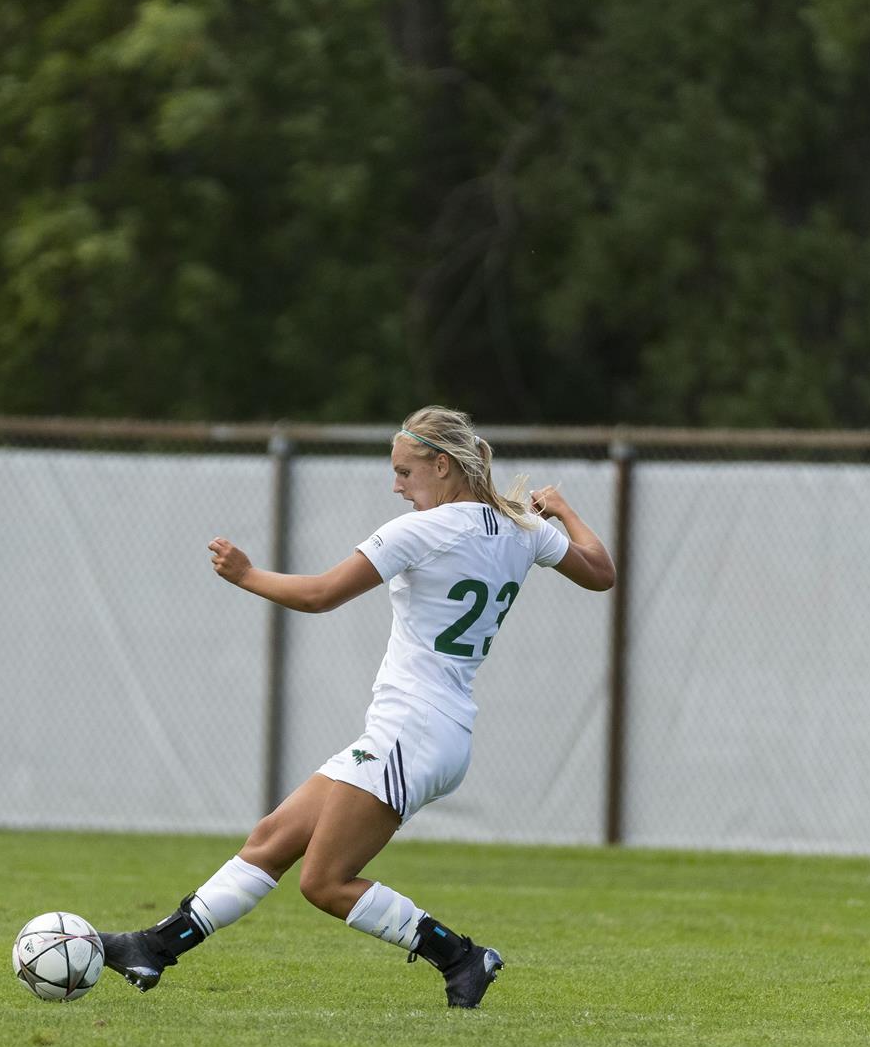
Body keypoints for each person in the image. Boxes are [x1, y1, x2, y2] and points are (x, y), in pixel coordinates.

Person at [99, 405, 615, 1008]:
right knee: (273, 838)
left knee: (324, 881)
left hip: (411, 731)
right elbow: (600, 572)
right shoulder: (524, 529)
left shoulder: (421, 530)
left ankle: (461, 957)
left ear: (442, 465)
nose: (396, 486)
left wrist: (246, 575)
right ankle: (153, 948)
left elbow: (321, 594)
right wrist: (565, 511)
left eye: (404, 471)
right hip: (432, 730)